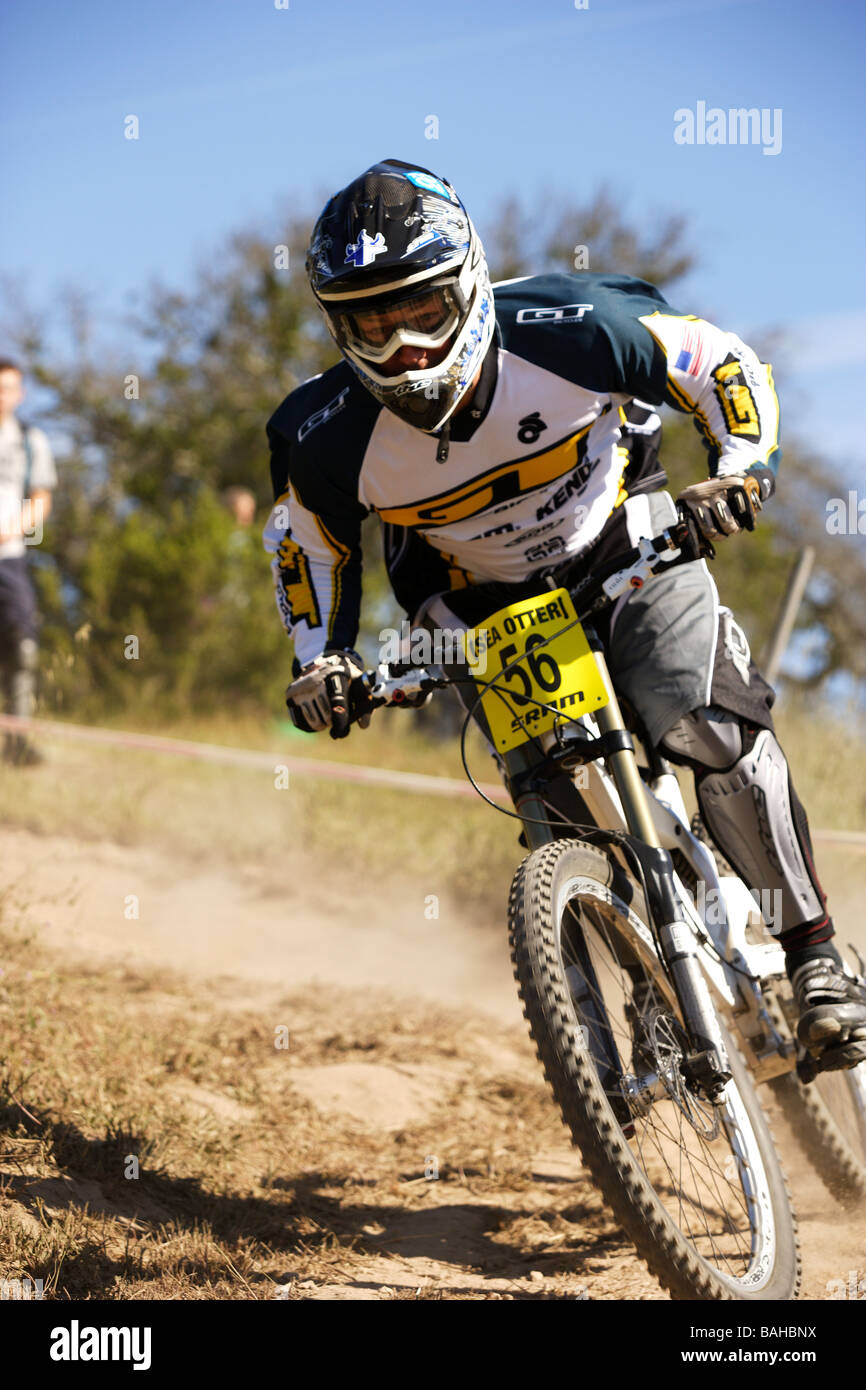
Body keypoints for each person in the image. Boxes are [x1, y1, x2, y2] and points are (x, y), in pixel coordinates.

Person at [262, 159, 866, 1074]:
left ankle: (817, 954)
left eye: (421, 312)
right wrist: (323, 661)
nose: (404, 351)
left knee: (706, 729)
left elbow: (720, 364)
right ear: (337, 326)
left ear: (466, 284)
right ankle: (644, 984)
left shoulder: (575, 329)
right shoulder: (322, 434)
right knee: (557, 808)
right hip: (476, 603)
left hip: (626, 543)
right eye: (370, 326)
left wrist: (740, 470)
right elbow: (306, 546)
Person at [0, 357, 56, 766]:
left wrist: (14, 528)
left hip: (9, 559)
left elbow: (41, 497)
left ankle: (16, 744)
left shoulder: (29, 438)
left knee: (22, 648)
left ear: (20, 393)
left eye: (9, 387)